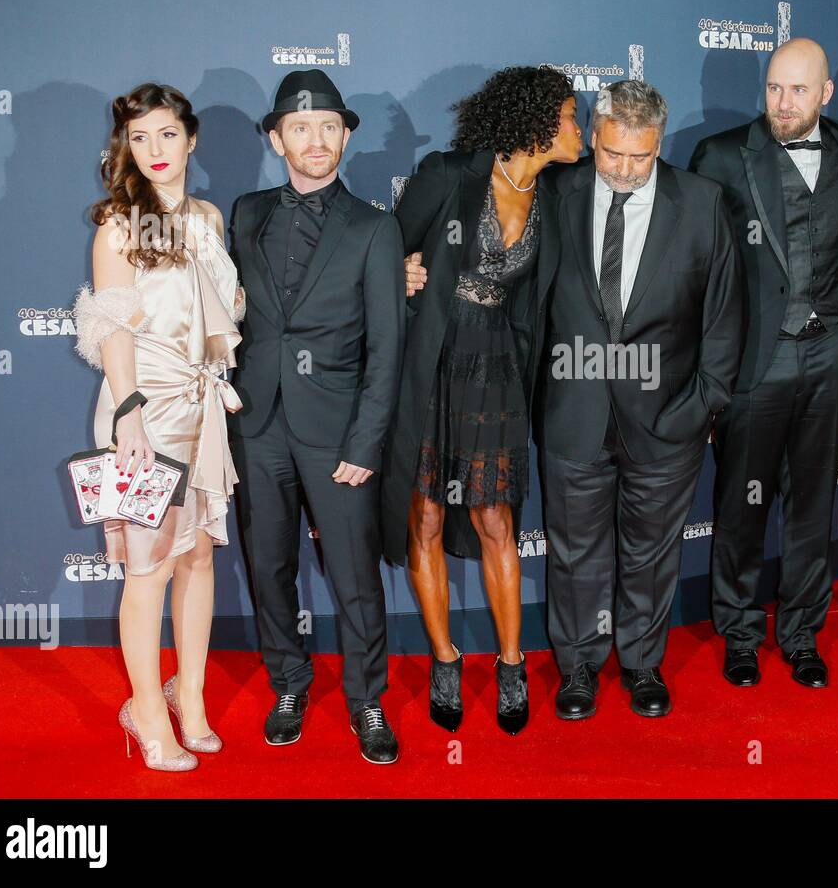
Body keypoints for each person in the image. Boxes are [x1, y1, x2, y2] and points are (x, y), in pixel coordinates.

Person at [538, 80, 744, 719]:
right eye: (613, 154)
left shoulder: (703, 203)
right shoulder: (555, 192)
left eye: (641, 158)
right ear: (592, 136)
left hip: (667, 418)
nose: (625, 171)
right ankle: (577, 667)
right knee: (574, 551)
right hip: (573, 412)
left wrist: (701, 406)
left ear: (660, 143)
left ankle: (642, 664)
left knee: (652, 550)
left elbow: (725, 316)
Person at [385, 65, 581, 735]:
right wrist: (402, 273)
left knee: (498, 517)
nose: (577, 128)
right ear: (536, 121)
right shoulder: (448, 174)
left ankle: (510, 662)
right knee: (428, 516)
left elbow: (543, 306)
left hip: (497, 365)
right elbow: (385, 252)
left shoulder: (552, 201)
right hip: (430, 362)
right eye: (570, 116)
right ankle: (444, 658)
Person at [228, 70, 406, 763]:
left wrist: (366, 440)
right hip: (258, 426)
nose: (317, 141)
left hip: (338, 435)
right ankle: (289, 682)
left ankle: (367, 701)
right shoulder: (244, 214)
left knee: (354, 575)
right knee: (268, 564)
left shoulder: (375, 228)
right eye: (300, 128)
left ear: (347, 136)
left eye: (330, 127)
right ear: (277, 139)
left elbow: (387, 347)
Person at [73, 82, 245, 771]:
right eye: (139, 138)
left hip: (203, 409)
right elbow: (113, 329)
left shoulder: (206, 217)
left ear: (191, 138)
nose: (154, 151)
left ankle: (191, 698)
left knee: (198, 556)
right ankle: (145, 711)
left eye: (167, 134)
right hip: (142, 412)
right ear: (125, 146)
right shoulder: (117, 225)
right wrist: (127, 417)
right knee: (148, 569)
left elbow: (215, 316)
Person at [688, 38, 838, 689]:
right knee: (741, 506)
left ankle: (800, 635)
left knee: (813, 505)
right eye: (772, 88)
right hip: (753, 365)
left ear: (826, 94)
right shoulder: (720, 156)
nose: (782, 103)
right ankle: (739, 634)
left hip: (830, 354)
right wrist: (707, 380)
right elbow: (695, 276)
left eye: (797, 90)